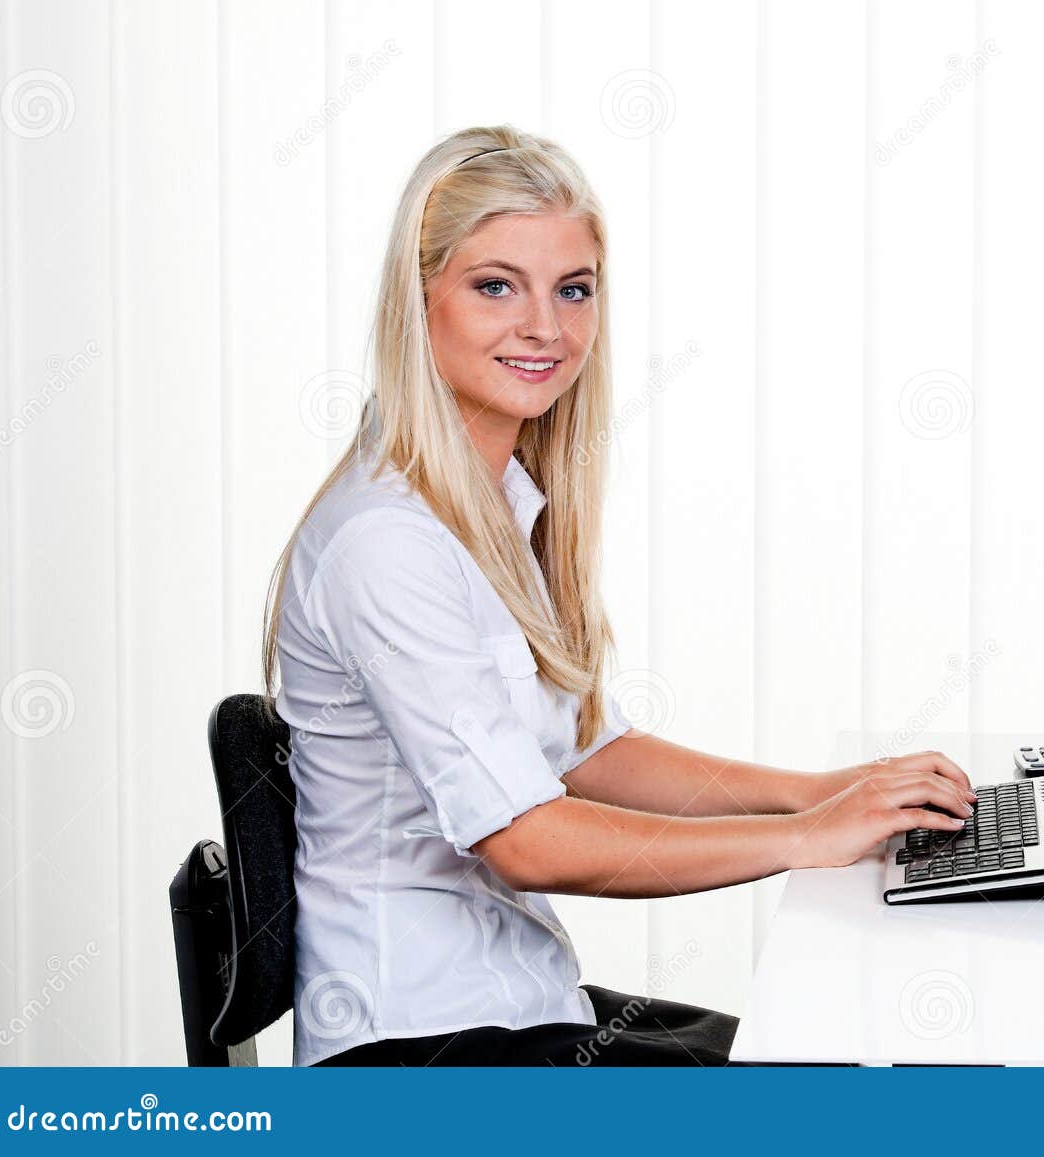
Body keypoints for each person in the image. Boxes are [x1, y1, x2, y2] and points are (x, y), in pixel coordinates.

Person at [262, 125, 974, 1067]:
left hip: (515, 999)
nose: (545, 329)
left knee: (841, 1057)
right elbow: (526, 838)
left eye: (573, 289)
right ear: (416, 299)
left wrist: (822, 793)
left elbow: (592, 751)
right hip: (419, 1049)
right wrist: (805, 837)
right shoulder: (386, 544)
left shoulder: (493, 500)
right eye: (494, 285)